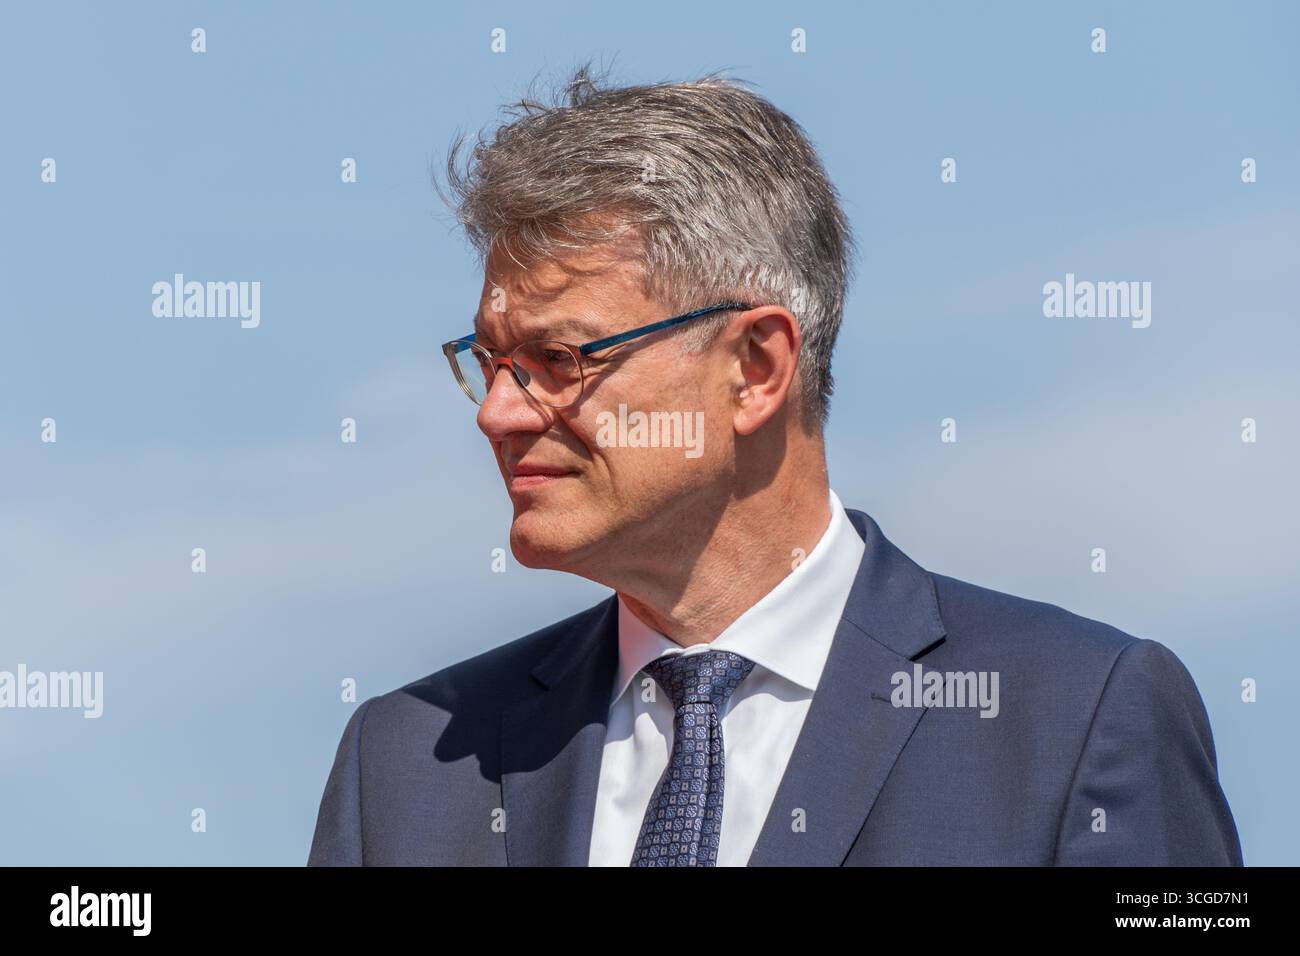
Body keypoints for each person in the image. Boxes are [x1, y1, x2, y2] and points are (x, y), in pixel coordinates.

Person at [307, 66, 1242, 866]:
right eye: (491, 363)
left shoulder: (1074, 717)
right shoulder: (407, 766)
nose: (499, 413)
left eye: (559, 360)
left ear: (755, 368)